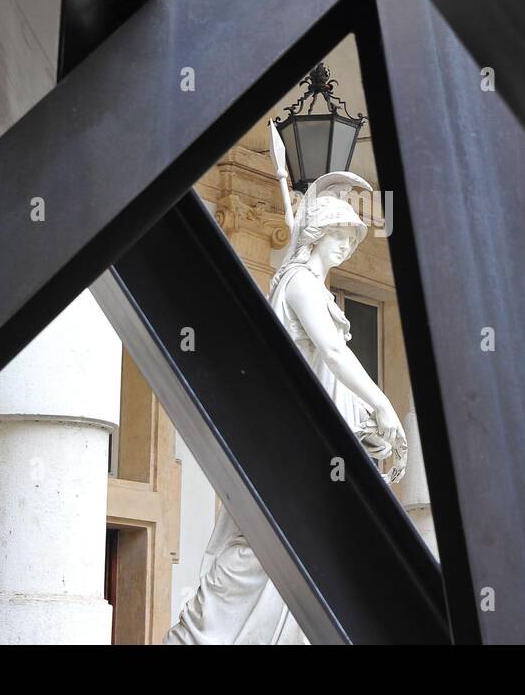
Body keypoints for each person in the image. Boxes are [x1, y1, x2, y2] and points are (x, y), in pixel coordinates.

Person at [164, 171, 407, 645]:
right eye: (339, 235)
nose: (345, 247)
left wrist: (364, 419)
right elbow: (333, 355)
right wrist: (382, 404)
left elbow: (325, 370)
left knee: (300, 546)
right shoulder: (298, 282)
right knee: (266, 545)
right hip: (286, 437)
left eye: (352, 240)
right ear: (316, 233)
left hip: (303, 437)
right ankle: (199, 636)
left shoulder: (311, 287)